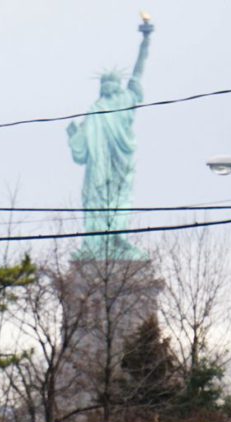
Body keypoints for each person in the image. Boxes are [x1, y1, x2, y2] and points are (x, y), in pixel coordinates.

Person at [67, 19, 153, 261]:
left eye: (111, 81)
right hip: (97, 168)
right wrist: (74, 135)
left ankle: (118, 239)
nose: (106, 85)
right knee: (94, 200)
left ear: (118, 84)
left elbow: (139, 71)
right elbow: (81, 153)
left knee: (121, 201)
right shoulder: (94, 111)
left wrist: (145, 40)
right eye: (103, 82)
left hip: (121, 164)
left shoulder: (127, 100)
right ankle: (94, 245)